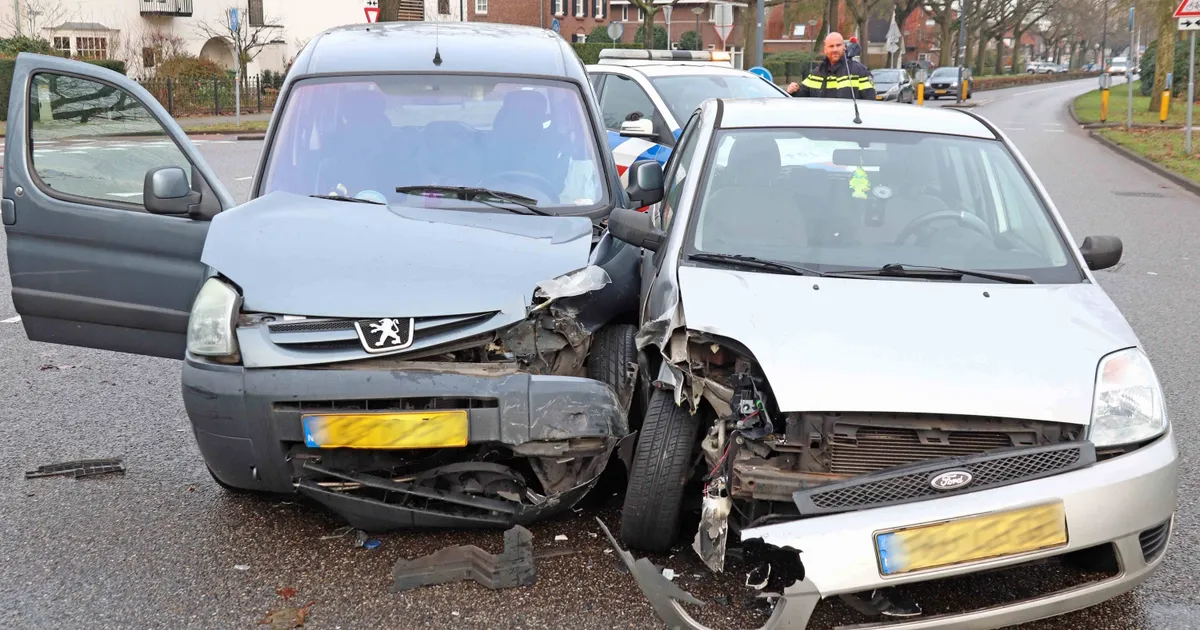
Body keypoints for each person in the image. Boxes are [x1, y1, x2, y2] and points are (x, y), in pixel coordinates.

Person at [786, 32, 876, 100]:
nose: (835, 49)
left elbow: (870, 103)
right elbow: (803, 94)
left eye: (838, 45)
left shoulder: (860, 72)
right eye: (831, 46)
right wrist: (795, 89)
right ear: (825, 50)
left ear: (844, 47)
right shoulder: (817, 73)